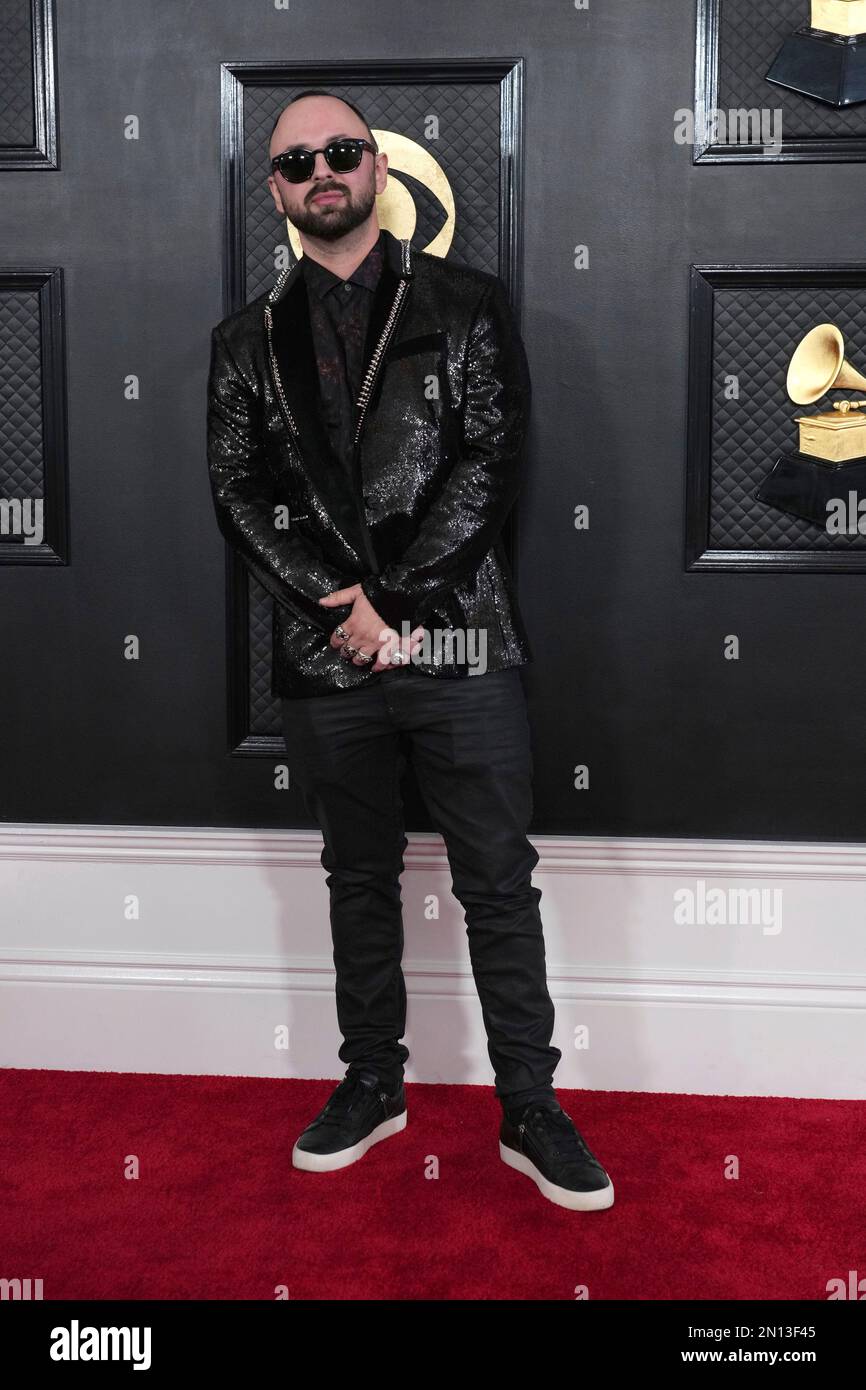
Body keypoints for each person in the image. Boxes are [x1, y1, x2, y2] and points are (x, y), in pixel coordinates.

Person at [206, 89, 613, 1211]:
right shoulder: (243, 341)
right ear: (278, 189)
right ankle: (372, 1081)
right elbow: (236, 492)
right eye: (297, 162)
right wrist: (339, 607)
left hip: (459, 638)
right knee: (355, 878)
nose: (320, 172)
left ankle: (528, 1103)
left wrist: (395, 604)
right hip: (328, 652)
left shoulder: (467, 306)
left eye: (341, 152)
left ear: (376, 171)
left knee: (496, 880)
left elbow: (489, 463)